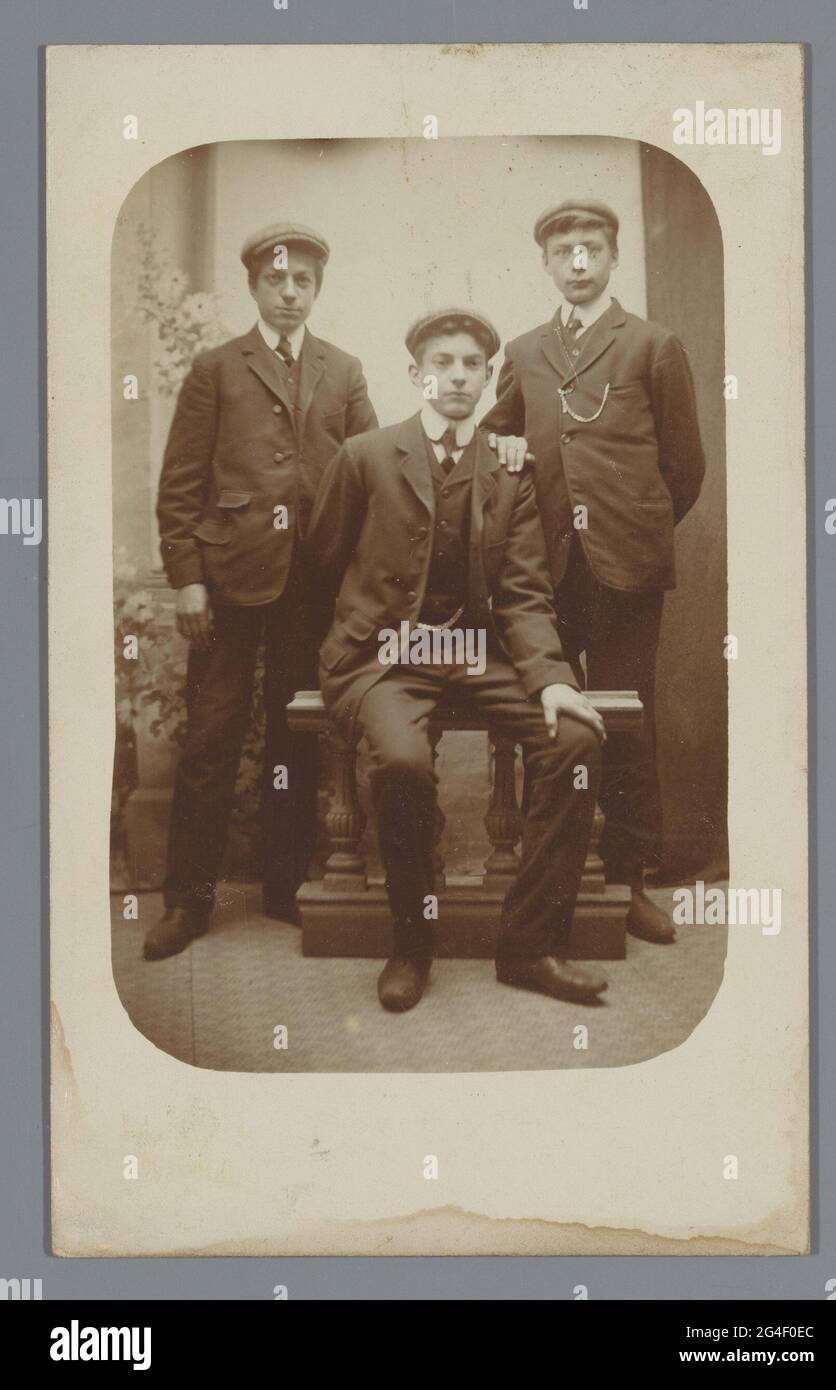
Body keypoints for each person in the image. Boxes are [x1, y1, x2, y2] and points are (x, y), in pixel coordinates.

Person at [307, 308, 608, 1012]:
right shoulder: (367, 456)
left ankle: (530, 944)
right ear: (416, 375)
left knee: (577, 740)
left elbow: (526, 590)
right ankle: (413, 943)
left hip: (474, 651)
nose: (457, 376)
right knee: (404, 764)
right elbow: (322, 559)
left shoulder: (508, 466)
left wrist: (555, 681)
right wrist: (357, 642)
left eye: (472, 364)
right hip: (387, 656)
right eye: (442, 362)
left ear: (487, 376)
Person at [147, 222, 377, 960]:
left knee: (295, 741)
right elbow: (180, 484)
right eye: (275, 280)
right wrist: (187, 579)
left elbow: (372, 474)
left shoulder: (343, 371)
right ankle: (187, 902)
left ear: (316, 288)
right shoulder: (217, 369)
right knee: (211, 740)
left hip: (310, 588)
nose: (287, 292)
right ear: (255, 286)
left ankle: (284, 888)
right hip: (226, 583)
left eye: (301, 281)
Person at [482, 199, 705, 944]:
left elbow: (684, 468)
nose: (578, 262)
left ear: (612, 258)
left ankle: (630, 878)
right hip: (546, 571)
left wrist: (631, 528)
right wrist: (506, 455)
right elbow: (492, 443)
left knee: (625, 720)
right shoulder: (522, 350)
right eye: (564, 251)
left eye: (591, 248)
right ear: (547, 263)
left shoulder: (652, 344)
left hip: (624, 569)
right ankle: (552, 877)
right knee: (551, 717)